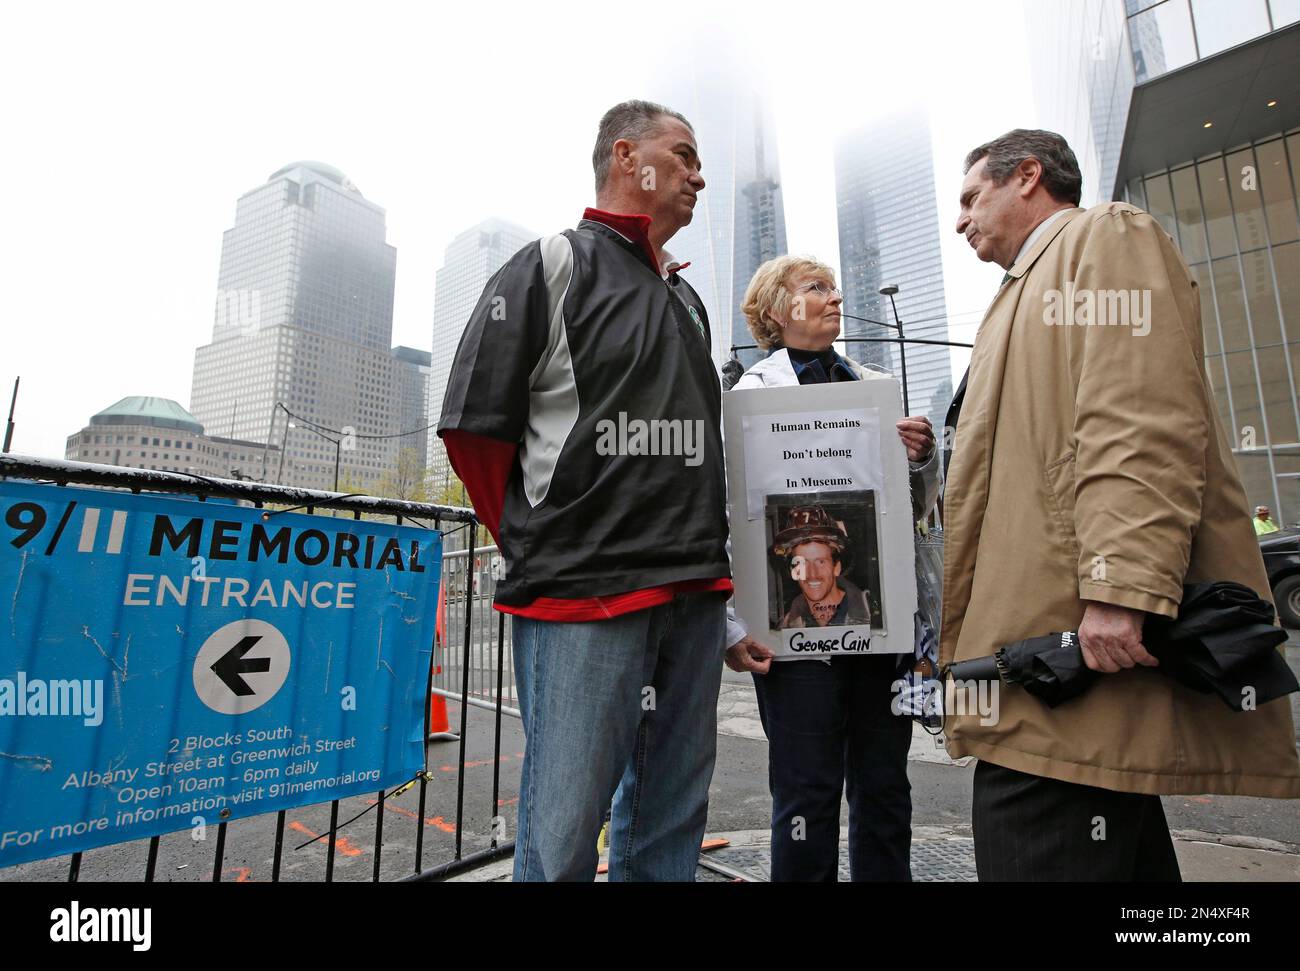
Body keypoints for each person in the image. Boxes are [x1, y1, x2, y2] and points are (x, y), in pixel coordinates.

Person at [946, 129, 1300, 881]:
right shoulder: (1019, 292)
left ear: (1028, 176)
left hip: (1068, 647)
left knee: (1036, 825)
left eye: (972, 197)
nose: (961, 220)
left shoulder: (1104, 237)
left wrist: (1120, 588)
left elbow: (1139, 416)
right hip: (1040, 652)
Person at [438, 100, 730, 882]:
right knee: (563, 833)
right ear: (627, 156)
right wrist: (545, 543)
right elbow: (472, 429)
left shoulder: (688, 299)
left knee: (671, 824)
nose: (700, 175)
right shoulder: (551, 263)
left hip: (695, 592)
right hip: (583, 597)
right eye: (685, 155)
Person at [724, 255, 941, 881]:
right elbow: (727, 514)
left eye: (833, 286)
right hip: (791, 640)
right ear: (775, 310)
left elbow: (914, 510)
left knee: (884, 787)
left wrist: (921, 460)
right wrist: (732, 625)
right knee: (805, 795)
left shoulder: (876, 385)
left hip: (880, 629)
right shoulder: (745, 400)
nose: (835, 296)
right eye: (815, 288)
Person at [772, 507, 873, 628]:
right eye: (801, 563)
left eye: (820, 562)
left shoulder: (870, 612)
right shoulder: (787, 625)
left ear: (837, 567)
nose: (812, 574)